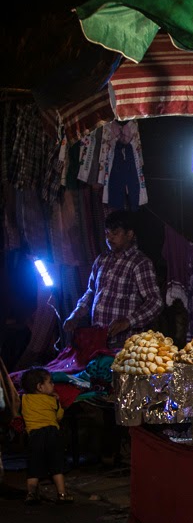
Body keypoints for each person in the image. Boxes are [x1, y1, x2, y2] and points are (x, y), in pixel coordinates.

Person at [63, 210, 162, 348]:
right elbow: (91, 292)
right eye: (107, 233)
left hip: (126, 344)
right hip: (98, 339)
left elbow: (155, 302)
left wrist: (128, 321)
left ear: (130, 234)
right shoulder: (102, 259)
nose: (109, 238)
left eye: (115, 234)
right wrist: (75, 315)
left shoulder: (140, 263)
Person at [18, 368, 73, 505]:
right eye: (50, 382)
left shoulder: (24, 399)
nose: (53, 385)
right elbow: (59, 417)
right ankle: (62, 494)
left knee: (34, 466)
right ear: (40, 387)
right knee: (56, 465)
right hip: (52, 434)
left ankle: (31, 494)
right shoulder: (52, 400)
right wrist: (59, 403)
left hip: (34, 436)